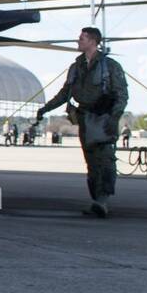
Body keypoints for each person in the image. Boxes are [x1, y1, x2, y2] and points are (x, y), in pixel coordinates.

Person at [35, 27, 128, 218]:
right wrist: (45, 109)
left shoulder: (110, 66)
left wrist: (114, 118)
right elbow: (64, 94)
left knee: (106, 161)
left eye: (81, 38)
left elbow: (121, 95)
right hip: (85, 120)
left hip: (103, 119)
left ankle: (102, 200)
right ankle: (96, 200)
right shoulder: (76, 67)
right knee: (91, 163)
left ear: (93, 41)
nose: (78, 41)